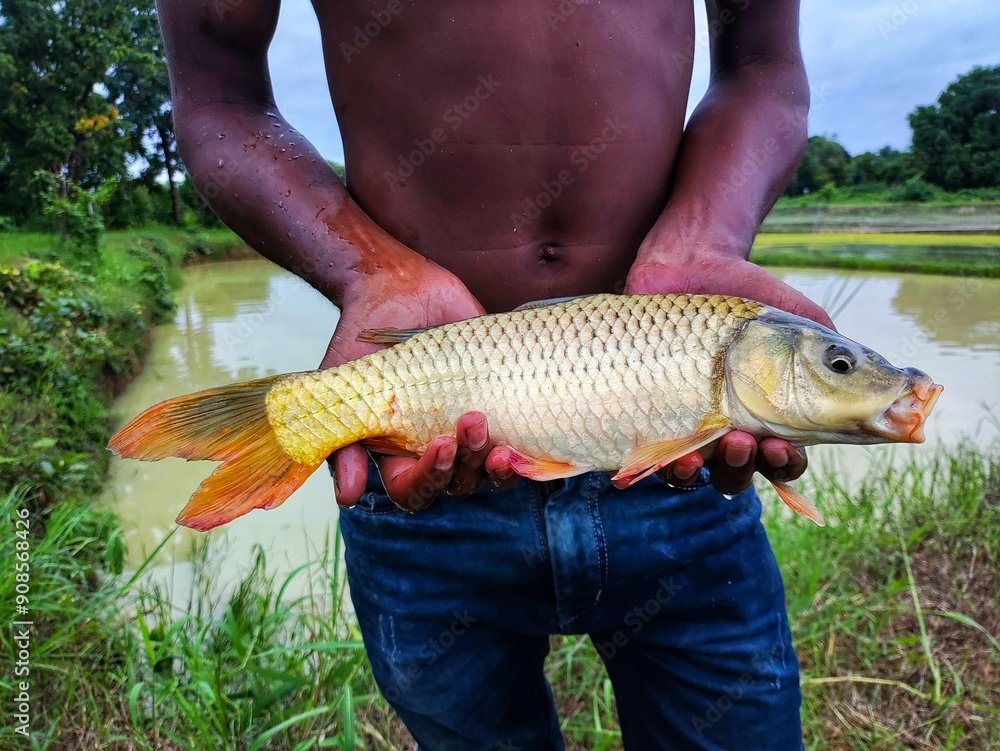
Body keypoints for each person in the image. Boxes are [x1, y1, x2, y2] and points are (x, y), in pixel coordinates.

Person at [157, 1, 832, 747]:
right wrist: (368, 272)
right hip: (426, 474)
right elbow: (220, 98)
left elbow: (762, 70)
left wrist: (704, 237)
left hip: (681, 452)